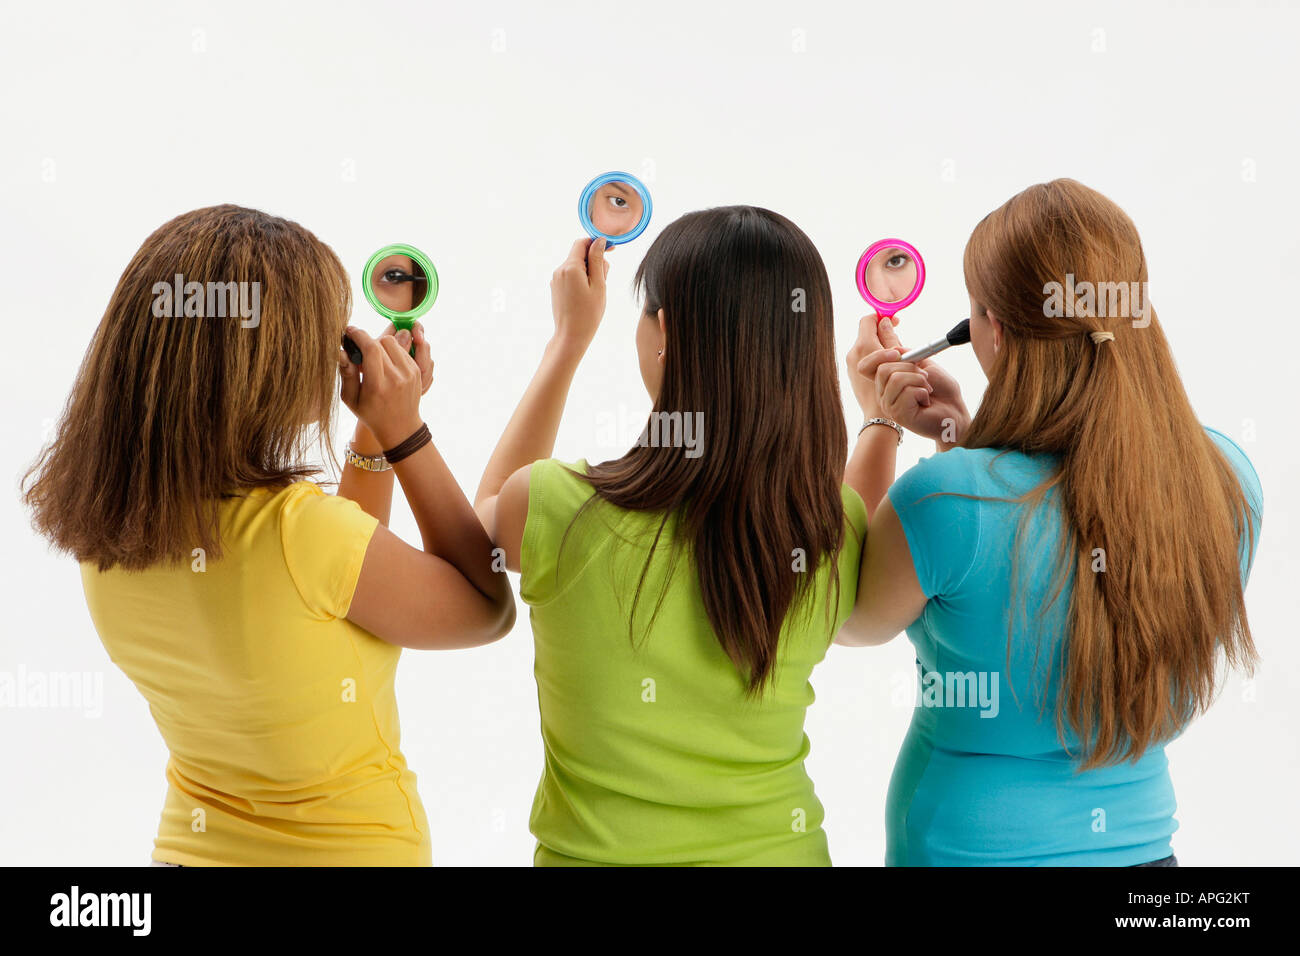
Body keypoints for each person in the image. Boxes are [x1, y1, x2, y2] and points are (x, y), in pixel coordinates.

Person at [22, 204, 514, 866]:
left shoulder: (109, 531)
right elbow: (485, 609)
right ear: (271, 364)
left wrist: (369, 436)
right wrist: (405, 434)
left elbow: (335, 592)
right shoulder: (301, 533)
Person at [837, 179, 1262, 866]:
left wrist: (878, 424)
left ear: (994, 329)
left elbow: (846, 616)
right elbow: (1062, 524)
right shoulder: (1224, 476)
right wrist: (961, 436)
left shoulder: (944, 501)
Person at [475, 207, 880, 865]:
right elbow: (851, 502)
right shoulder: (831, 532)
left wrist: (567, 342)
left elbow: (484, 524)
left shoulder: (554, 506)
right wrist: (880, 420)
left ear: (664, 330)